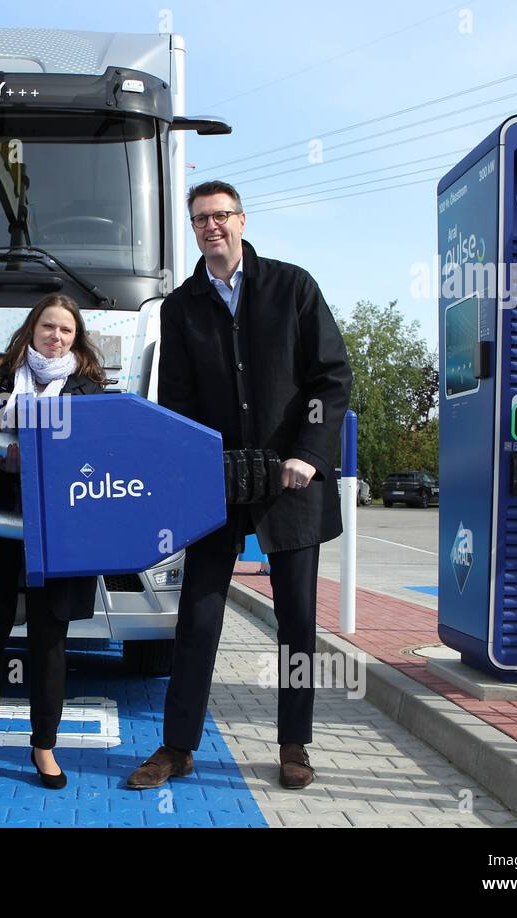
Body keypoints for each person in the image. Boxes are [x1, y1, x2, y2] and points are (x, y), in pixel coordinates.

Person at [126, 181, 352, 791]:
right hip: (217, 485)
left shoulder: (293, 287)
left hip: (291, 482)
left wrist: (308, 454)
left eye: (221, 215)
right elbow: (177, 403)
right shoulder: (180, 307)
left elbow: (331, 378)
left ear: (242, 221)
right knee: (197, 618)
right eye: (201, 219)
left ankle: (294, 744)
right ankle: (177, 747)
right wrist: (197, 468)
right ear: (194, 229)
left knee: (297, 620)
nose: (212, 226)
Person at [0, 294, 106, 789]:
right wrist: (2, 457)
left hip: (56, 526)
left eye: (65, 330)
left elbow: (90, 454)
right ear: (32, 328)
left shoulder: (89, 386)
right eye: (48, 326)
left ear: (76, 338)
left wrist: (37, 458)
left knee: (49, 640)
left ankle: (44, 746)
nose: (55, 336)